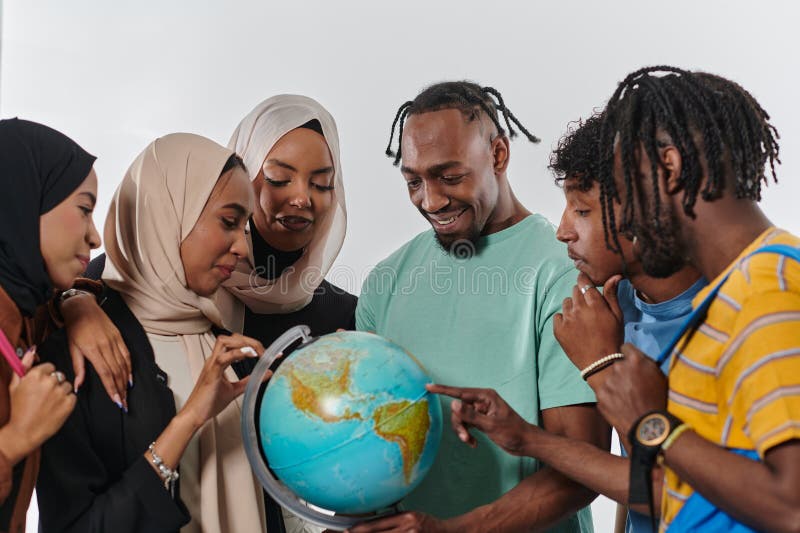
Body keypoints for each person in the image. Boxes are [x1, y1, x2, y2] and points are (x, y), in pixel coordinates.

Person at [427, 113, 705, 533]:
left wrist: (601, 367)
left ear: (644, 212)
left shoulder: (722, 316)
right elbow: (634, 479)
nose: (562, 231)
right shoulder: (615, 304)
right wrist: (526, 437)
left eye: (581, 210)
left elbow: (669, 489)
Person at [352, 81, 607, 533]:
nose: (430, 201)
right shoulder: (384, 283)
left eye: (449, 177)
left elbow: (582, 470)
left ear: (499, 155)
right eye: (414, 181)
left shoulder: (561, 273)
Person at [586, 67, 800, 532]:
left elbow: (793, 507)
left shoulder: (764, 287)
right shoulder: (740, 287)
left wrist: (653, 421)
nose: (626, 224)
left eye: (625, 194)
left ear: (669, 167)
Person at [36, 133, 270, 533]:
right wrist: (189, 419)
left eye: (245, 227)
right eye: (229, 222)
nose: (243, 248)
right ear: (166, 213)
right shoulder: (79, 351)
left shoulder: (227, 341)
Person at [0, 118, 101, 532]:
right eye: (84, 209)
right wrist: (15, 440)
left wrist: (78, 301)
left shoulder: (24, 317)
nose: (95, 236)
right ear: (24, 199)